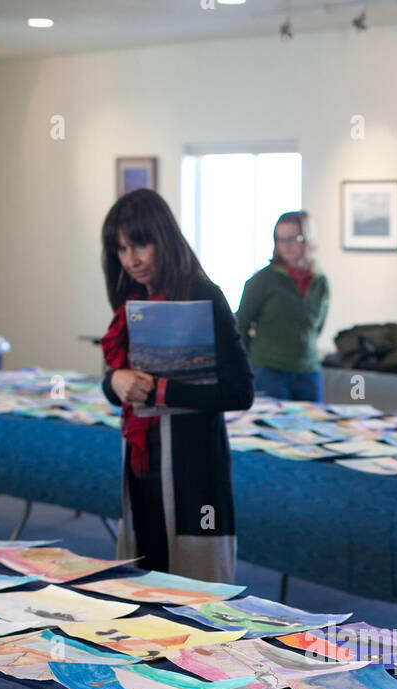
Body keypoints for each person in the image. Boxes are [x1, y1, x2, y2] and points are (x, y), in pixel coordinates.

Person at [100, 189, 254, 582]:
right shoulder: (131, 301)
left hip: (192, 464)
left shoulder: (204, 295)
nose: (131, 260)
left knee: (193, 587)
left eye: (140, 245)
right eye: (121, 249)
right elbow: (116, 383)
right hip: (141, 460)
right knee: (144, 578)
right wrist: (114, 381)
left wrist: (163, 391)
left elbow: (240, 391)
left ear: (163, 239)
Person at [237, 211, 330, 402]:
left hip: (309, 370)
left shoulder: (320, 281)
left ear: (307, 239)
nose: (285, 246)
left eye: (292, 238)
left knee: (313, 427)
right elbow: (240, 326)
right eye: (280, 239)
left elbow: (316, 326)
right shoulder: (262, 280)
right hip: (269, 370)